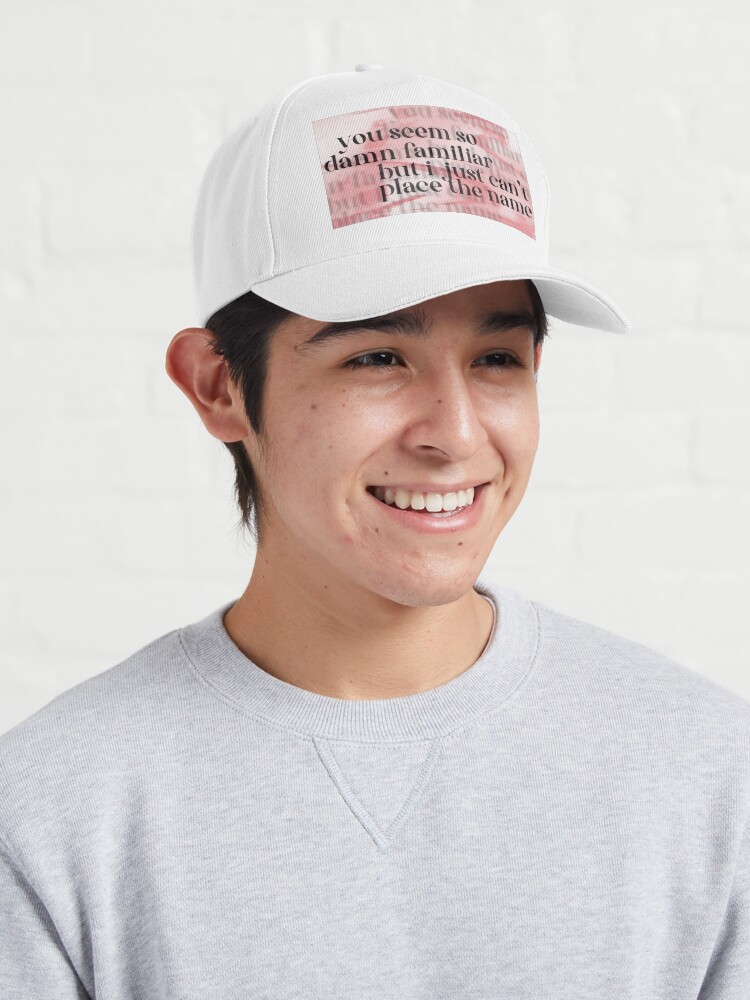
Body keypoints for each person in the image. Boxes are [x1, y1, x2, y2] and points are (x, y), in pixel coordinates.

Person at [0, 64, 747, 999]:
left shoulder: (711, 776)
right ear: (219, 385)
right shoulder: (51, 816)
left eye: (497, 358)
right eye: (378, 357)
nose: (456, 434)